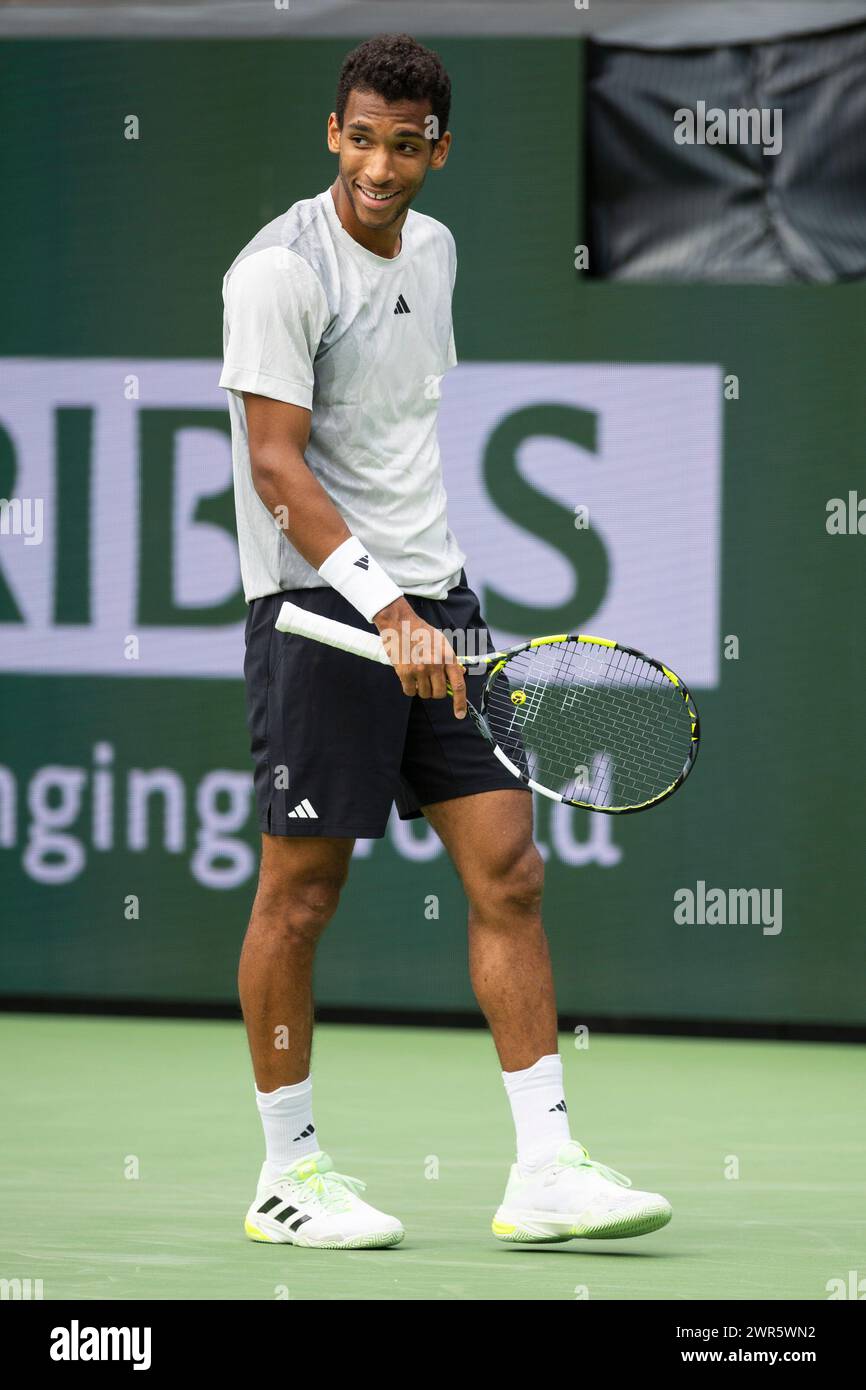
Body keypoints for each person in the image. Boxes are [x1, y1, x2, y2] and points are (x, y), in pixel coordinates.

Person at [219, 32, 672, 1249]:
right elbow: (278, 466)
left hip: (440, 602)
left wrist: (433, 600)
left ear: (438, 150)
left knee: (509, 871)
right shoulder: (276, 271)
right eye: (359, 138)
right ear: (333, 133)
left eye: (403, 145)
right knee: (301, 891)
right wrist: (383, 605)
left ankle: (544, 1169)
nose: (378, 164)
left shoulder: (435, 248)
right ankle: (285, 1173)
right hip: (321, 615)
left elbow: (395, 447)